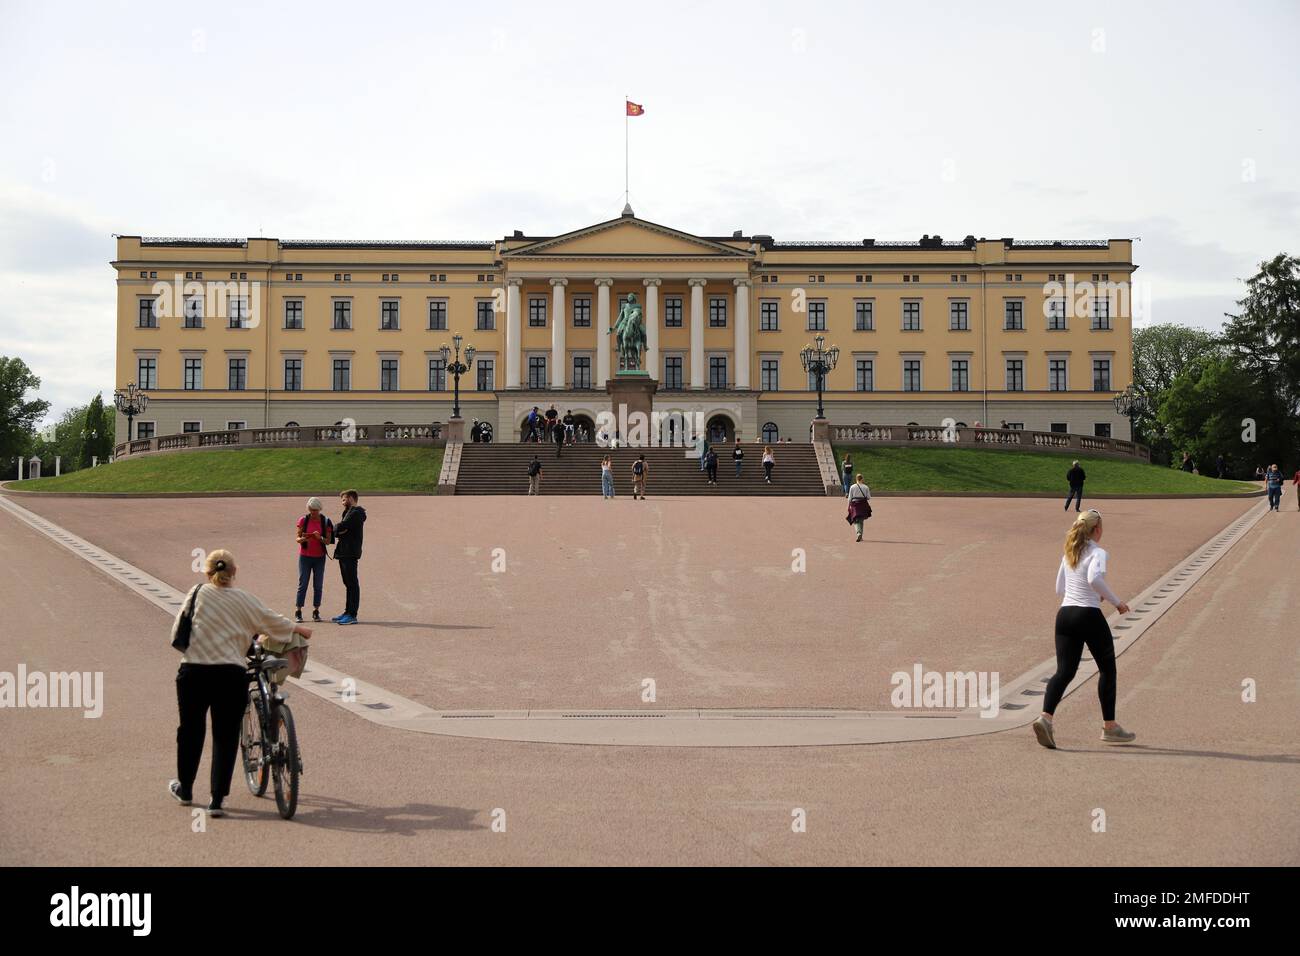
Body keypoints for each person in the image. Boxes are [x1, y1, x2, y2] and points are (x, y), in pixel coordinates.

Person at [169, 549, 312, 816]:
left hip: (194, 672)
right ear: (234, 572)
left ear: (208, 572)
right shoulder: (245, 600)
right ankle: (216, 800)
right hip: (229, 675)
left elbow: (176, 633)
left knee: (190, 731)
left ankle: (186, 790)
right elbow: (273, 621)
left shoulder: (197, 593)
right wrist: (298, 629)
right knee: (224, 736)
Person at [1031, 509, 1135, 749]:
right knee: (1107, 670)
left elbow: (1060, 588)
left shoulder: (1069, 553)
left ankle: (1045, 718)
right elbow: (1094, 579)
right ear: (1097, 529)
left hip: (1065, 615)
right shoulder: (1099, 553)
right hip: (1088, 615)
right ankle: (1110, 727)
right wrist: (1116, 602)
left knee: (1064, 672)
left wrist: (1086, 594)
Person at [294, 497, 333, 623]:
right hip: (305, 556)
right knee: (303, 583)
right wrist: (305, 538)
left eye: (315, 510)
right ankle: (298, 611)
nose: (313, 513)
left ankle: (316, 611)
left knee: (318, 585)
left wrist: (319, 537)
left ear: (319, 509)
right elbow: (298, 538)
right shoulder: (303, 520)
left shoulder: (326, 521)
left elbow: (328, 541)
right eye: (311, 510)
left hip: (319, 557)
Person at [332, 490, 366, 625]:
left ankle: (352, 614)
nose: (342, 502)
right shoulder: (348, 513)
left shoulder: (356, 513)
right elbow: (339, 530)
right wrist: (339, 530)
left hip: (350, 552)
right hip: (344, 552)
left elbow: (341, 527)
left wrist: (339, 529)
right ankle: (347, 612)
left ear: (351, 498)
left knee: (352, 583)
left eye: (344, 499)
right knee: (348, 584)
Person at [847, 473, 872, 542]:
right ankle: (861, 536)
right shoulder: (866, 487)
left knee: (855, 520)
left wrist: (848, 506)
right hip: (863, 505)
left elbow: (850, 498)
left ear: (856, 479)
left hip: (855, 505)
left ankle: (858, 533)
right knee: (861, 520)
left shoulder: (852, 487)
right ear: (862, 479)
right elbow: (869, 497)